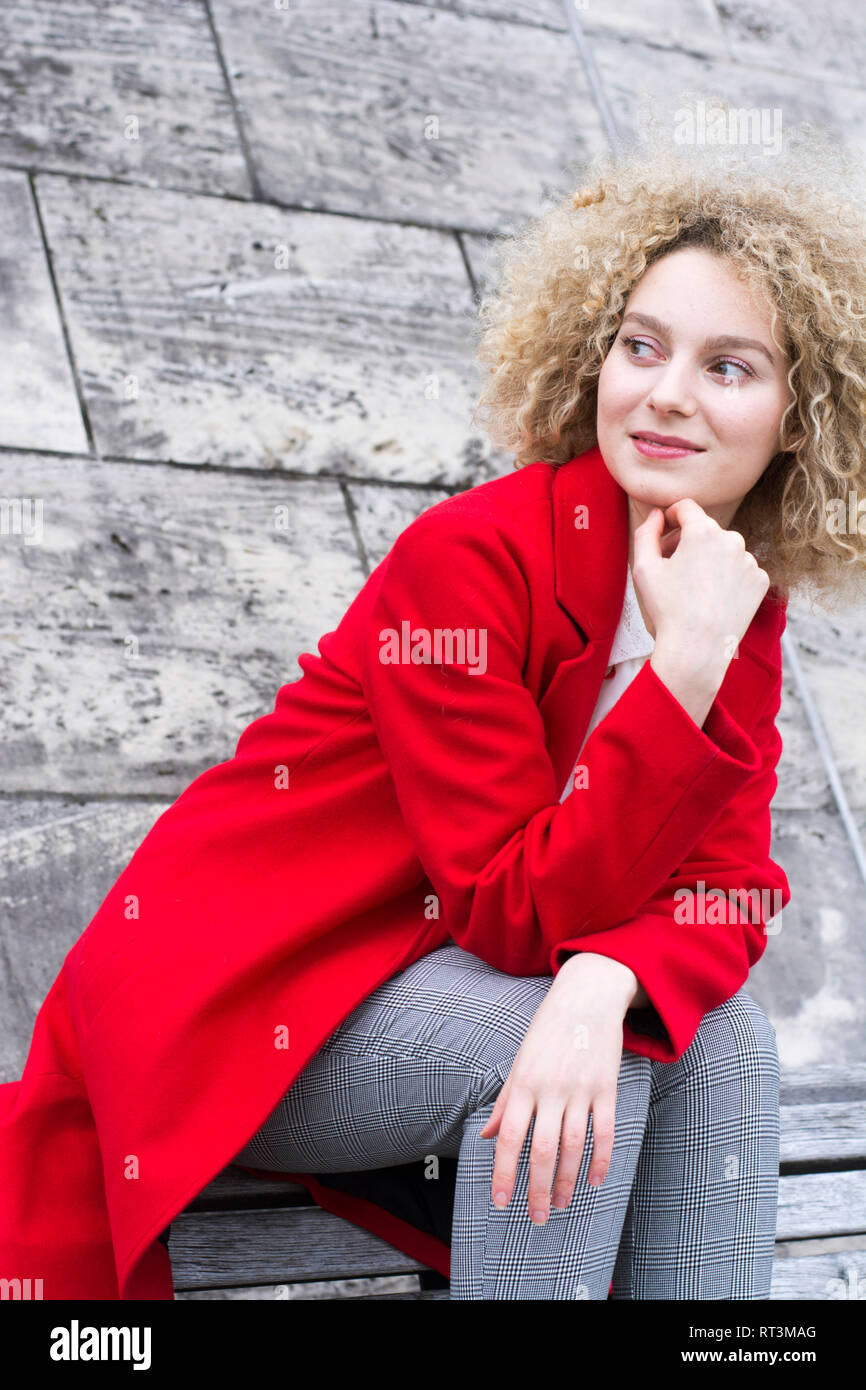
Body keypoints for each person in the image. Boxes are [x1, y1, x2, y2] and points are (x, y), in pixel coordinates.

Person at [3, 117, 866, 1302]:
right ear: (591, 360)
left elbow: (730, 892)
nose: (664, 396)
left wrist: (606, 977)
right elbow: (514, 906)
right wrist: (677, 678)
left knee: (723, 1038)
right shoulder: (468, 558)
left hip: (445, 986)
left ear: (796, 420)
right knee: (591, 1054)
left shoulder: (729, 605)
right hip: (249, 998)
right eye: (639, 346)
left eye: (726, 366)